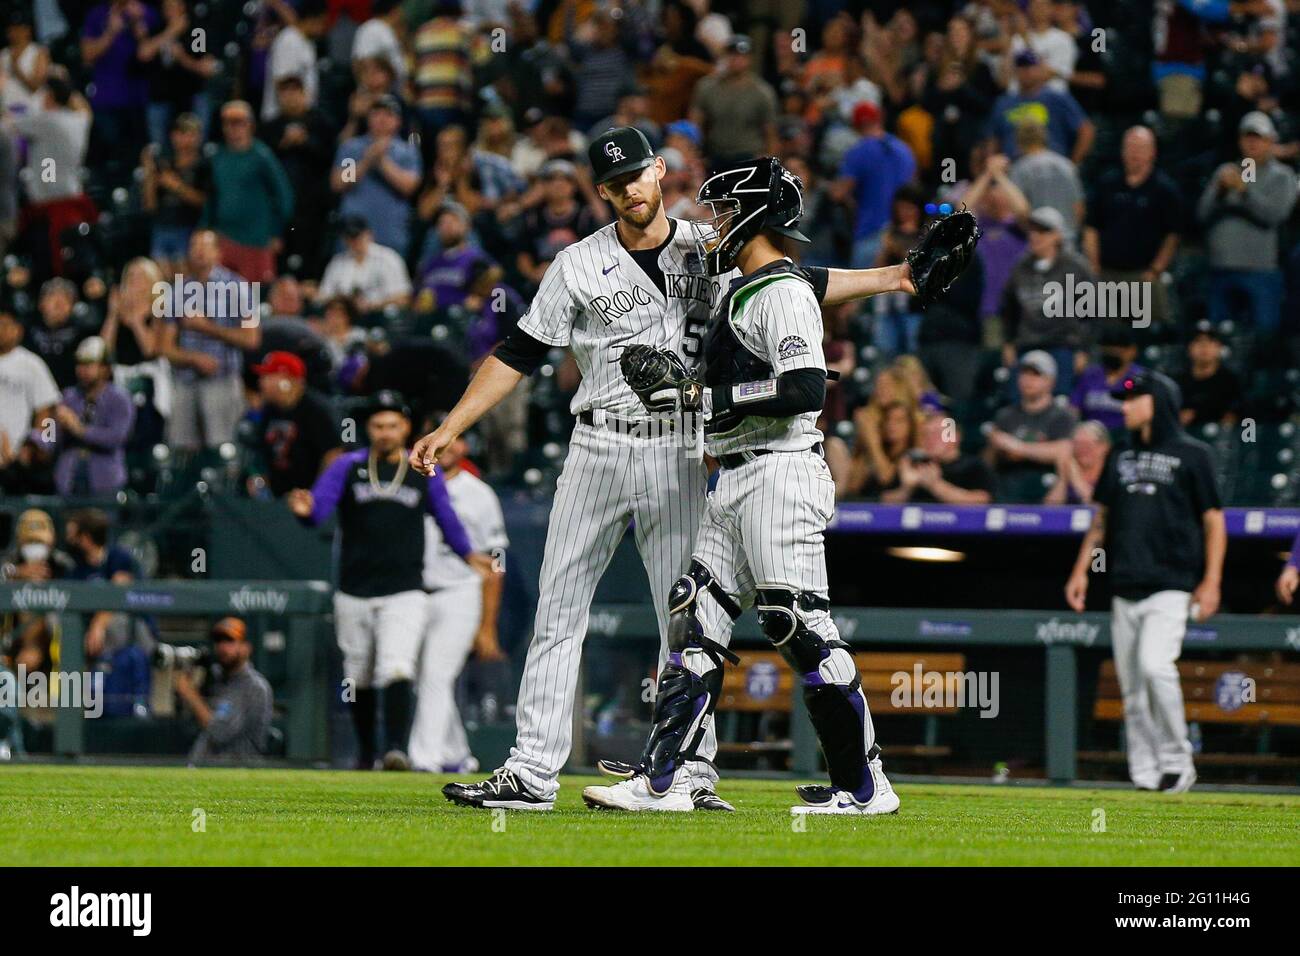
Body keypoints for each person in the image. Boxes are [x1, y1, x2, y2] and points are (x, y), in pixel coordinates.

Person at [420, 129, 910, 811]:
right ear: (603, 191)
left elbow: (795, 282)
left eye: (639, 175)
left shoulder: (706, 246)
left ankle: (689, 774)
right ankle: (532, 770)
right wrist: (452, 426)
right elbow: (519, 351)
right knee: (558, 610)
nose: (630, 190)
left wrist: (894, 277)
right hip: (596, 444)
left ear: (658, 171)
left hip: (681, 444)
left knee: (685, 619)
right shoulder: (577, 263)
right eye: (615, 183)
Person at [582, 156, 911, 815]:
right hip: (732, 475)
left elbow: (804, 388)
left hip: (780, 470)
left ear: (755, 213)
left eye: (725, 210)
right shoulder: (755, 283)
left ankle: (864, 788)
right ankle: (669, 780)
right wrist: (895, 277)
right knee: (694, 619)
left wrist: (706, 394)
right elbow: (809, 288)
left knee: (798, 625)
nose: (714, 221)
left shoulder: (779, 290)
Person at [288, 391, 492, 771]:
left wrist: (468, 554)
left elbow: (445, 517)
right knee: (359, 672)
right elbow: (320, 509)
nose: (385, 433)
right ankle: (367, 755)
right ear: (369, 428)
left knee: (397, 666)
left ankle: (396, 749)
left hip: (405, 589)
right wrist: (305, 512)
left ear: (406, 429)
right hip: (354, 587)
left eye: (393, 426)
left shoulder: (420, 470)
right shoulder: (348, 467)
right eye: (379, 426)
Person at [1065, 370, 1225, 793]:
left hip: (1172, 585)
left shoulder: (1195, 455)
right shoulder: (1119, 455)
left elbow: (1214, 521)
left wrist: (1211, 582)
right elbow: (1101, 520)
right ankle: (1146, 773)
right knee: (1133, 689)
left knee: (1156, 668)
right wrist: (1082, 570)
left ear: (1160, 403)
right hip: (1124, 585)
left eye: (1135, 400)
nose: (1126, 407)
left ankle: (1177, 759)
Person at [409, 433, 508, 773]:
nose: (446, 447)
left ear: (464, 445)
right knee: (422, 677)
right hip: (415, 591)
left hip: (461, 592)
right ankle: (456, 754)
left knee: (437, 673)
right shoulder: (410, 482)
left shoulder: (479, 493)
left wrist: (487, 627)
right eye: (438, 440)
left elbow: (496, 564)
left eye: (453, 440)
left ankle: (425, 760)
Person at [157, 230, 262, 452]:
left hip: (222, 382)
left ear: (218, 253)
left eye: (205, 246)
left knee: (221, 449)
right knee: (181, 452)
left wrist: (206, 327)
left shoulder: (237, 287)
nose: (199, 252)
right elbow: (164, 346)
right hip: (184, 383)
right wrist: (193, 358)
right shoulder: (178, 290)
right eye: (194, 246)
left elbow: (251, 339)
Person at [1197, 111, 1297, 341]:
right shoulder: (1226, 172)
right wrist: (1220, 192)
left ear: (1271, 140)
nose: (1252, 142)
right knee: (1217, 338)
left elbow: (1274, 215)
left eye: (1258, 137)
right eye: (1247, 137)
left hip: (1260, 272)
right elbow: (1201, 215)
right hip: (1220, 269)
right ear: (1239, 140)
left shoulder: (1282, 176)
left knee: (1263, 338)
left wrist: (1244, 191)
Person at [1082, 126, 1182, 327]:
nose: (1135, 153)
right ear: (1122, 151)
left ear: (1152, 152)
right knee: (1104, 331)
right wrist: (1093, 266)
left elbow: (1173, 234)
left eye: (1141, 148)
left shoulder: (1164, 189)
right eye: (1131, 147)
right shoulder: (1107, 183)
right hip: (1107, 273)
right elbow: (1091, 227)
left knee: (1152, 330)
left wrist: (1156, 270)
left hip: (1143, 275)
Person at [1000, 206, 1093, 394]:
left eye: (1043, 231)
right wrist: (1008, 343)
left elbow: (1092, 311)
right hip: (1027, 345)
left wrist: (1084, 350)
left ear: (1057, 236)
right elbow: (1009, 309)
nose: (1035, 236)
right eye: (1032, 230)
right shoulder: (1020, 267)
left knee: (1061, 400)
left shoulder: (1076, 268)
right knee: (1021, 400)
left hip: (1063, 346)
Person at [201, 100, 294, 283]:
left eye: (236, 121)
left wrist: (275, 232)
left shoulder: (262, 156)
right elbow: (212, 197)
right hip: (224, 239)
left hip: (256, 240)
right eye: (226, 122)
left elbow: (285, 196)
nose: (230, 127)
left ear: (249, 124)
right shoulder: (218, 156)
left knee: (252, 300)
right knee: (220, 299)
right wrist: (204, 229)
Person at [39, 335, 135, 496]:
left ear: (105, 368)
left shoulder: (120, 399)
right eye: (79, 364)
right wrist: (40, 438)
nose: (82, 370)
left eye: (88, 364)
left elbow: (117, 437)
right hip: (68, 478)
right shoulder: (69, 396)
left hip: (105, 481)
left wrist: (79, 429)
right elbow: (49, 434)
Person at [332, 94, 422, 258]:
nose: (382, 119)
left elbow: (409, 187)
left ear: (398, 121)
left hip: (391, 235)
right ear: (368, 118)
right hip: (353, 234)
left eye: (388, 114)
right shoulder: (352, 147)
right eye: (376, 113)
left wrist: (383, 163)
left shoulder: (406, 151)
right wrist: (366, 161)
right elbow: (340, 183)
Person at [832, 100, 916, 270]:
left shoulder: (858, 151)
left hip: (870, 232)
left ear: (856, 125)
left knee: (859, 293)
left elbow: (838, 194)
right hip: (903, 236)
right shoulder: (905, 150)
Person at [177, 617, 274, 766]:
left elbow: (220, 732)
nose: (222, 647)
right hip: (205, 767)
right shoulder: (215, 677)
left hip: (238, 770)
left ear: (246, 647)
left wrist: (190, 694)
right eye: (218, 641)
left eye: (229, 641)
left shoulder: (254, 686)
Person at [987, 350, 1079, 501]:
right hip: (1008, 487)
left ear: (1051, 381)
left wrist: (1015, 446)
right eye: (1024, 373)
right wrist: (994, 445)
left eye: (1036, 374)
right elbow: (990, 460)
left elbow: (1063, 451)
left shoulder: (1062, 416)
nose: (1028, 380)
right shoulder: (1005, 415)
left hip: (1045, 487)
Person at [247, 350, 340, 497]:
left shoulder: (317, 409)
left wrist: (317, 496)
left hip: (310, 499)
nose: (260, 382)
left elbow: (334, 455)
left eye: (266, 376)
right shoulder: (270, 410)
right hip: (280, 499)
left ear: (286, 380)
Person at [689, 35, 778, 162]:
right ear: (726, 56)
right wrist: (695, 155)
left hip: (749, 156)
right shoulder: (707, 87)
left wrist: (767, 162)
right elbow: (695, 125)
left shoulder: (763, 92)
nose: (737, 60)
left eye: (742, 56)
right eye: (733, 54)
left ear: (750, 59)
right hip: (715, 155)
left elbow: (771, 135)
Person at [0, 305, 60, 494]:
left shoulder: (31, 364)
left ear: (19, 330)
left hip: (19, 461)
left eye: (6, 325)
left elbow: (49, 412)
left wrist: (40, 446)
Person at [883, 414, 994, 505]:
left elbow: (980, 502)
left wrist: (935, 485)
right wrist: (906, 489)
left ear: (954, 436)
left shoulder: (974, 466)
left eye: (937, 433)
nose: (930, 439)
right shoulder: (914, 464)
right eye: (926, 434)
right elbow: (883, 504)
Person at [316, 216, 412, 314]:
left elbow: (403, 297)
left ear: (369, 234)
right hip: (346, 319)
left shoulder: (388, 258)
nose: (354, 241)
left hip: (380, 318)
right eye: (349, 237)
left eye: (357, 236)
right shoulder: (337, 262)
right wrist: (343, 300)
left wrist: (373, 304)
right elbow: (322, 296)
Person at [1070, 324, 1144, 432]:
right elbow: (1073, 409)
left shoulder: (1140, 378)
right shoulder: (1090, 375)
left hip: (1126, 437)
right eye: (1107, 352)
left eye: (1117, 352)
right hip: (1091, 436)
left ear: (1131, 351)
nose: (1111, 356)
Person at [28, 278, 91, 390]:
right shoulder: (26, 333)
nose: (59, 303)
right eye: (52, 296)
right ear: (40, 304)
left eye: (66, 298)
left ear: (73, 307)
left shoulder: (83, 337)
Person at [1176, 322, 1242, 428]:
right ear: (1189, 348)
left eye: (1210, 341)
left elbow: (1237, 413)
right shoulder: (1178, 383)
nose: (1204, 346)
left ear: (1219, 347)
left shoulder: (1230, 381)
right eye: (1198, 341)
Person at [1043, 419, 1110, 504]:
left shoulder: (1110, 475)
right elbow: (1050, 509)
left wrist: (1076, 477)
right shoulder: (1069, 468)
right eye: (1078, 445)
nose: (1082, 450)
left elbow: (1097, 506)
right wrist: (1063, 477)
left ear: (1104, 447)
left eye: (1087, 445)